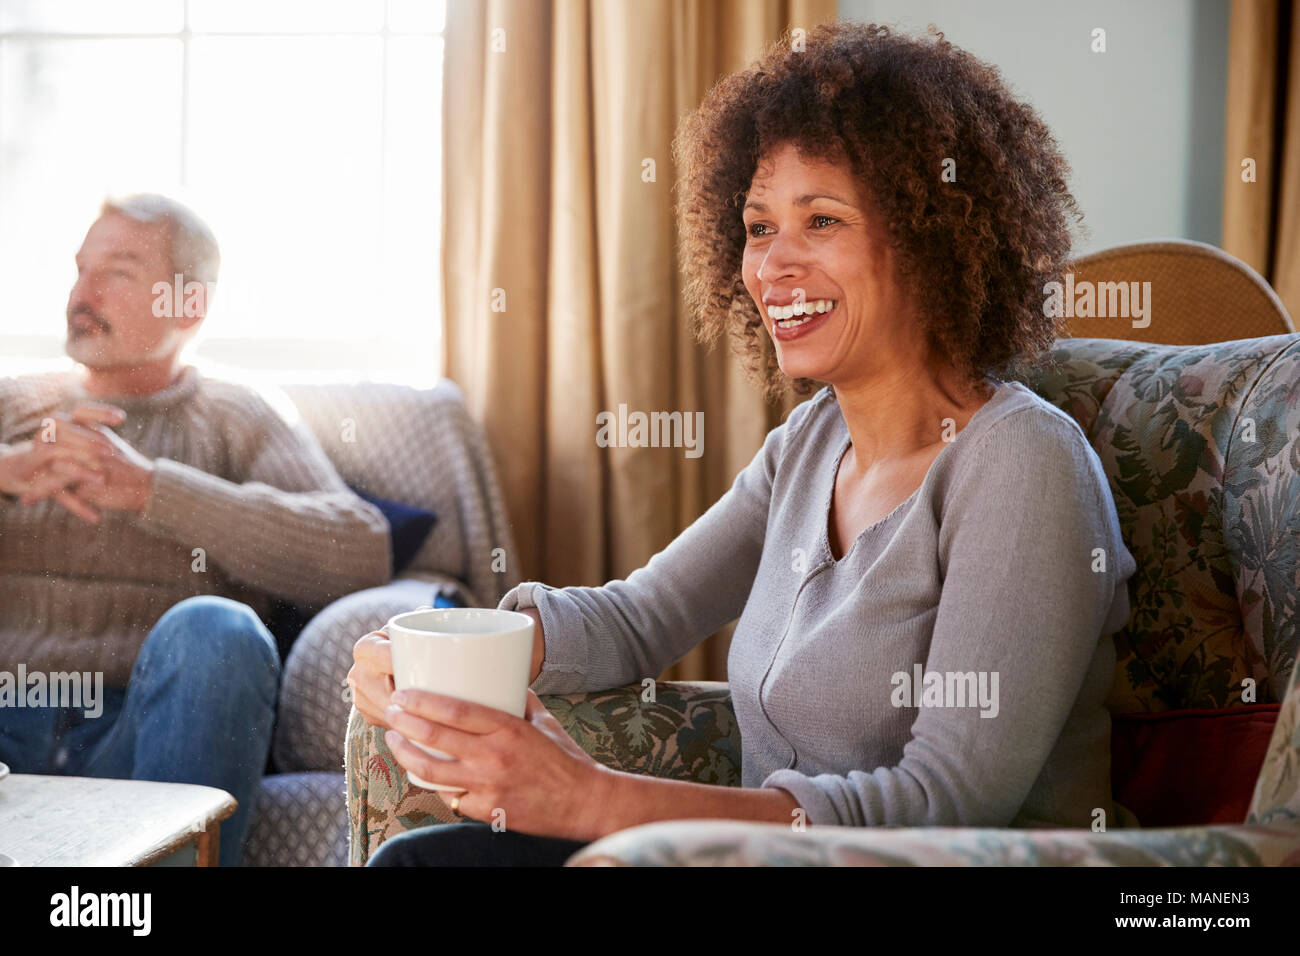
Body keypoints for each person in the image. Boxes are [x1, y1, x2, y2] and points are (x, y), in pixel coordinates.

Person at [348, 21, 1138, 867]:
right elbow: (640, 617)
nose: (772, 268)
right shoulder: (808, 445)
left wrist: (593, 799)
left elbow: (944, 802)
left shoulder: (1023, 463)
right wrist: (435, 646)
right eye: (759, 228)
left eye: (822, 221)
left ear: (930, 235)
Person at [0, 194, 392, 866]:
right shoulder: (14, 405)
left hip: (149, 731)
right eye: (79, 268)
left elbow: (358, 547)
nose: (82, 292)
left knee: (220, 630)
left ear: (189, 304)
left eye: (117, 272)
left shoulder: (237, 416)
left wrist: (151, 489)